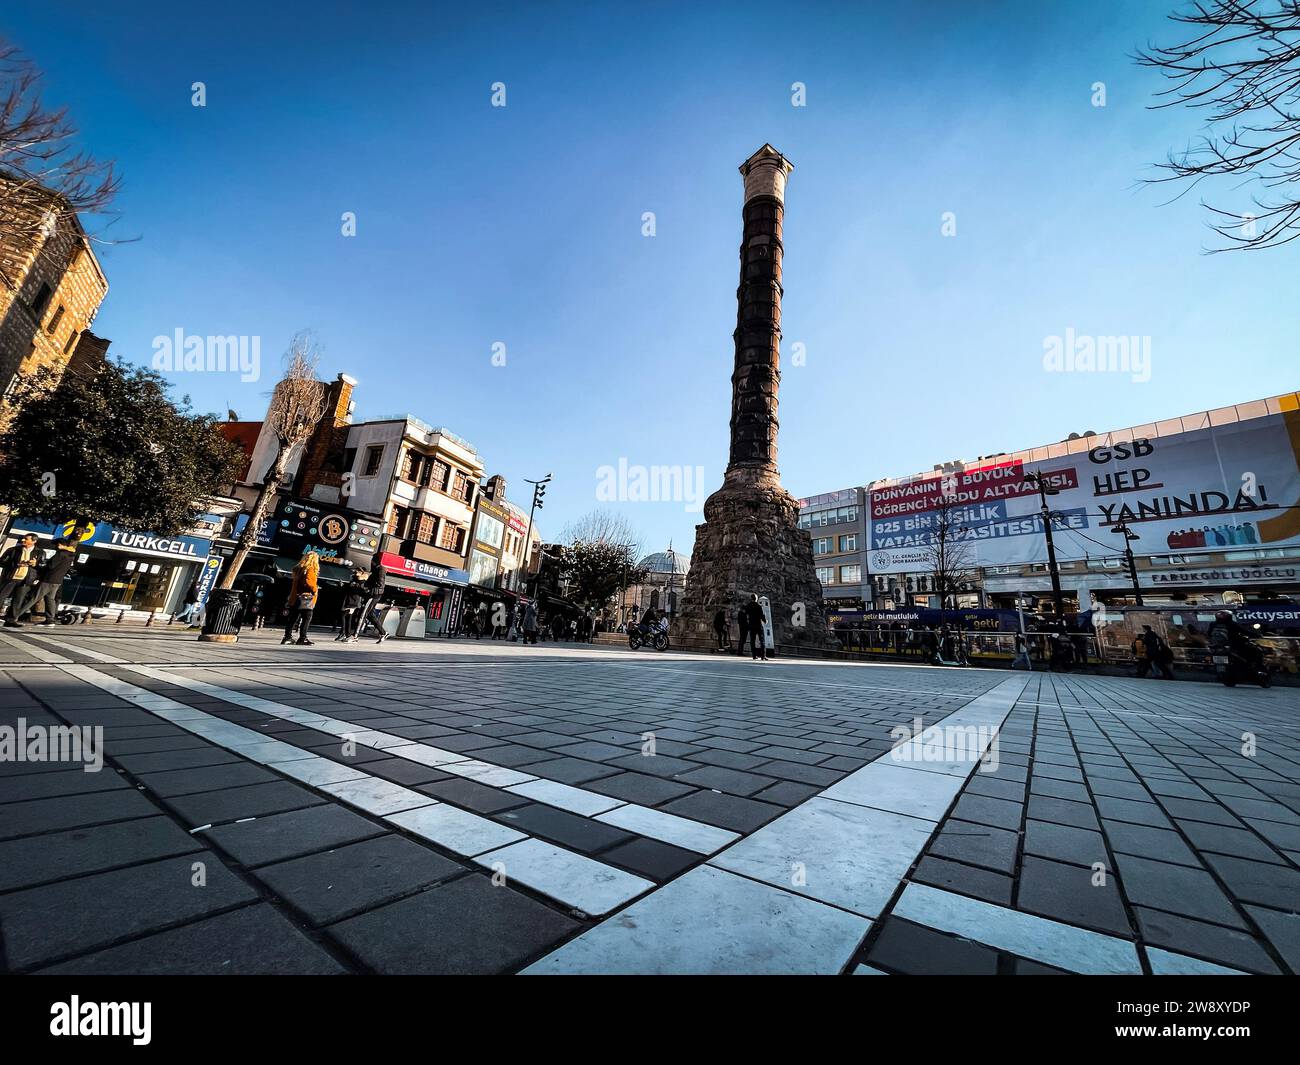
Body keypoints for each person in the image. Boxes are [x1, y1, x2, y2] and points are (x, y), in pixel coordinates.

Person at [14, 529, 85, 626]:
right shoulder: (71, 556)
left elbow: (50, 566)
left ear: (60, 544)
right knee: (50, 599)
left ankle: (14, 616)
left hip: (48, 579)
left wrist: (37, 564)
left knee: (33, 598)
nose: (56, 547)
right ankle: (50, 619)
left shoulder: (60, 554)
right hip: (57, 581)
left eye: (57, 545)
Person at [0, 534, 42, 627]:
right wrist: (16, 564)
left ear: (34, 541)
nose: (23, 540)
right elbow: (1, 561)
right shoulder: (13, 550)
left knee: (18, 600)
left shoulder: (40, 552)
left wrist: (35, 564)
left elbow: (43, 566)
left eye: (26, 539)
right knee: (1, 596)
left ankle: (11, 620)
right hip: (11, 577)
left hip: (26, 580)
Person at [282, 552, 320, 645]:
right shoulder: (310, 569)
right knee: (307, 617)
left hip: (295, 597)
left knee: (293, 618)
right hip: (306, 598)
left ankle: (287, 637)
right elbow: (309, 582)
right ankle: (302, 638)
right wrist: (315, 589)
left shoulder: (298, 569)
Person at [336, 577, 366, 641]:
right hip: (350, 601)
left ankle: (343, 632)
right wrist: (343, 585)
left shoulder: (362, 582)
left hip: (353, 601)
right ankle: (347, 634)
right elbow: (348, 589)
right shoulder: (354, 581)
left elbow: (360, 591)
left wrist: (353, 586)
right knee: (348, 618)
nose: (354, 574)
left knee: (343, 615)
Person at [743, 594, 767, 661]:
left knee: (752, 641)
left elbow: (745, 614)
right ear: (756, 598)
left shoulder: (748, 606)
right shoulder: (759, 606)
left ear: (751, 598)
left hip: (751, 625)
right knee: (762, 640)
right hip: (758, 625)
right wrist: (765, 621)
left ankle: (754, 655)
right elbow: (762, 615)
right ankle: (763, 656)